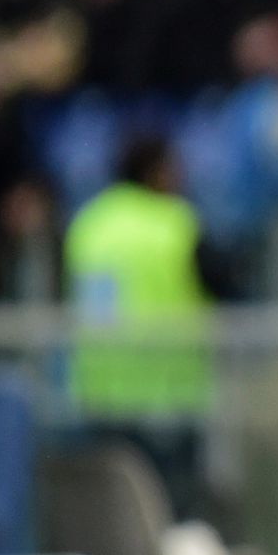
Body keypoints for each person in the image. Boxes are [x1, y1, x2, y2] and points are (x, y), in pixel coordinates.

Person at [64, 134, 233, 522]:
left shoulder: (88, 223)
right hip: (169, 395)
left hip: (99, 393)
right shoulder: (176, 223)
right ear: (156, 171)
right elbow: (224, 287)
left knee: (113, 515)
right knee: (171, 517)